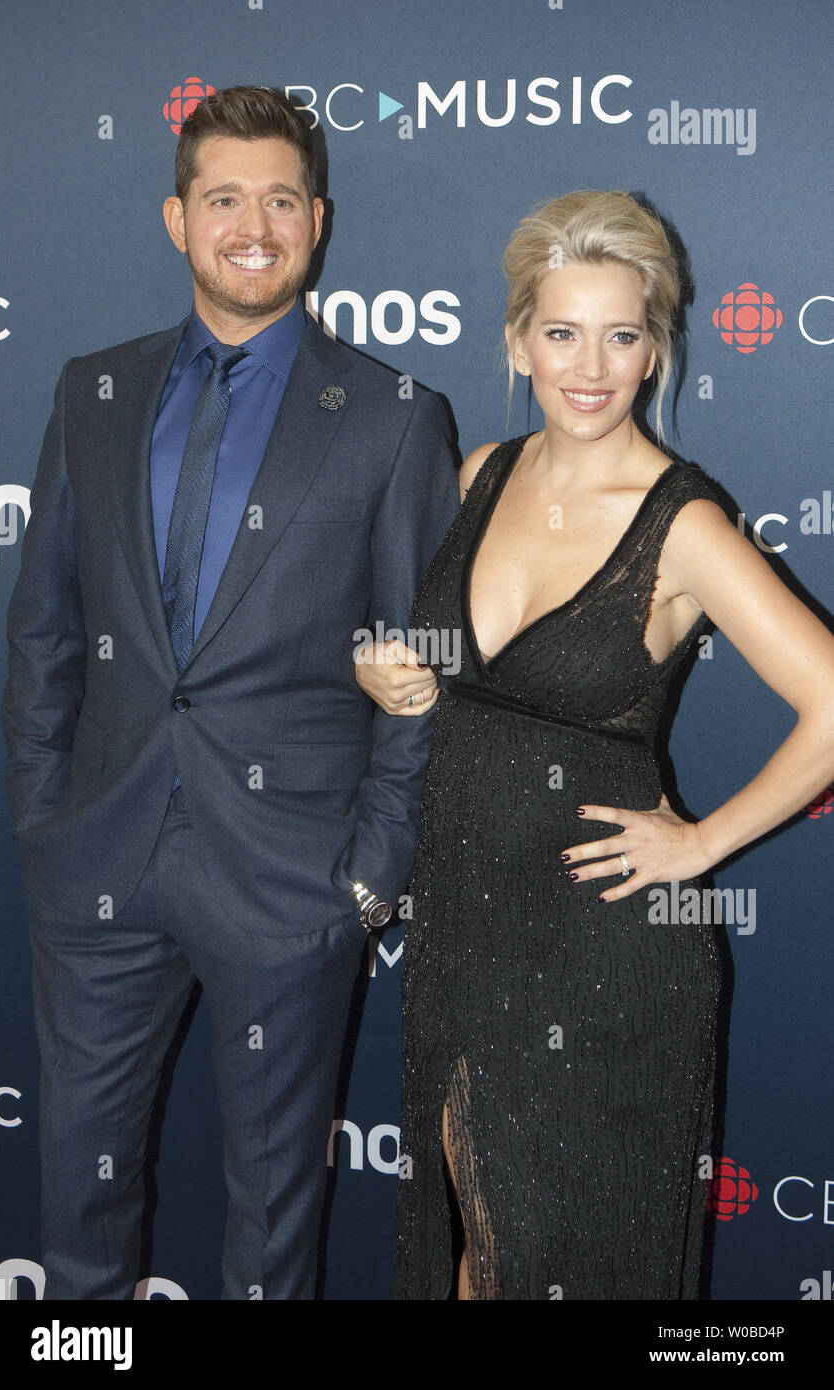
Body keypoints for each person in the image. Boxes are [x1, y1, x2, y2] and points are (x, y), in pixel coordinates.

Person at [0, 85, 458, 1300]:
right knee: (76, 1202)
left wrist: (368, 873)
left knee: (273, 1220)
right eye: (222, 199)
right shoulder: (91, 395)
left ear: (317, 219)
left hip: (289, 879)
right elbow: (45, 627)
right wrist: (46, 816)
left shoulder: (392, 418)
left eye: (278, 198)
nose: (250, 224)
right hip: (97, 859)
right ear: (175, 218)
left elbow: (425, 662)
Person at [354, 189, 834, 1300]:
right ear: (517, 338)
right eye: (562, 331)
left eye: (622, 334)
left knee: (564, 1267)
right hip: (466, 934)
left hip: (606, 959)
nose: (591, 364)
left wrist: (700, 842)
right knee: (475, 1250)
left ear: (656, 349)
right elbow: (445, 657)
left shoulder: (685, 523)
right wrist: (378, 665)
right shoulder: (479, 476)